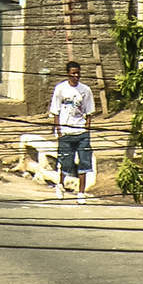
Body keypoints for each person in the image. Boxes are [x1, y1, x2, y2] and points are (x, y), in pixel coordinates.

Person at [49, 61, 95, 203]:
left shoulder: (85, 90)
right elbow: (55, 111)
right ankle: (60, 185)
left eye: (78, 73)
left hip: (81, 132)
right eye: (73, 73)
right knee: (65, 161)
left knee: (84, 162)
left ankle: (81, 193)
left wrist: (86, 129)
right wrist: (59, 130)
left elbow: (89, 111)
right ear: (68, 73)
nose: (76, 76)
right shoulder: (60, 89)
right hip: (66, 131)